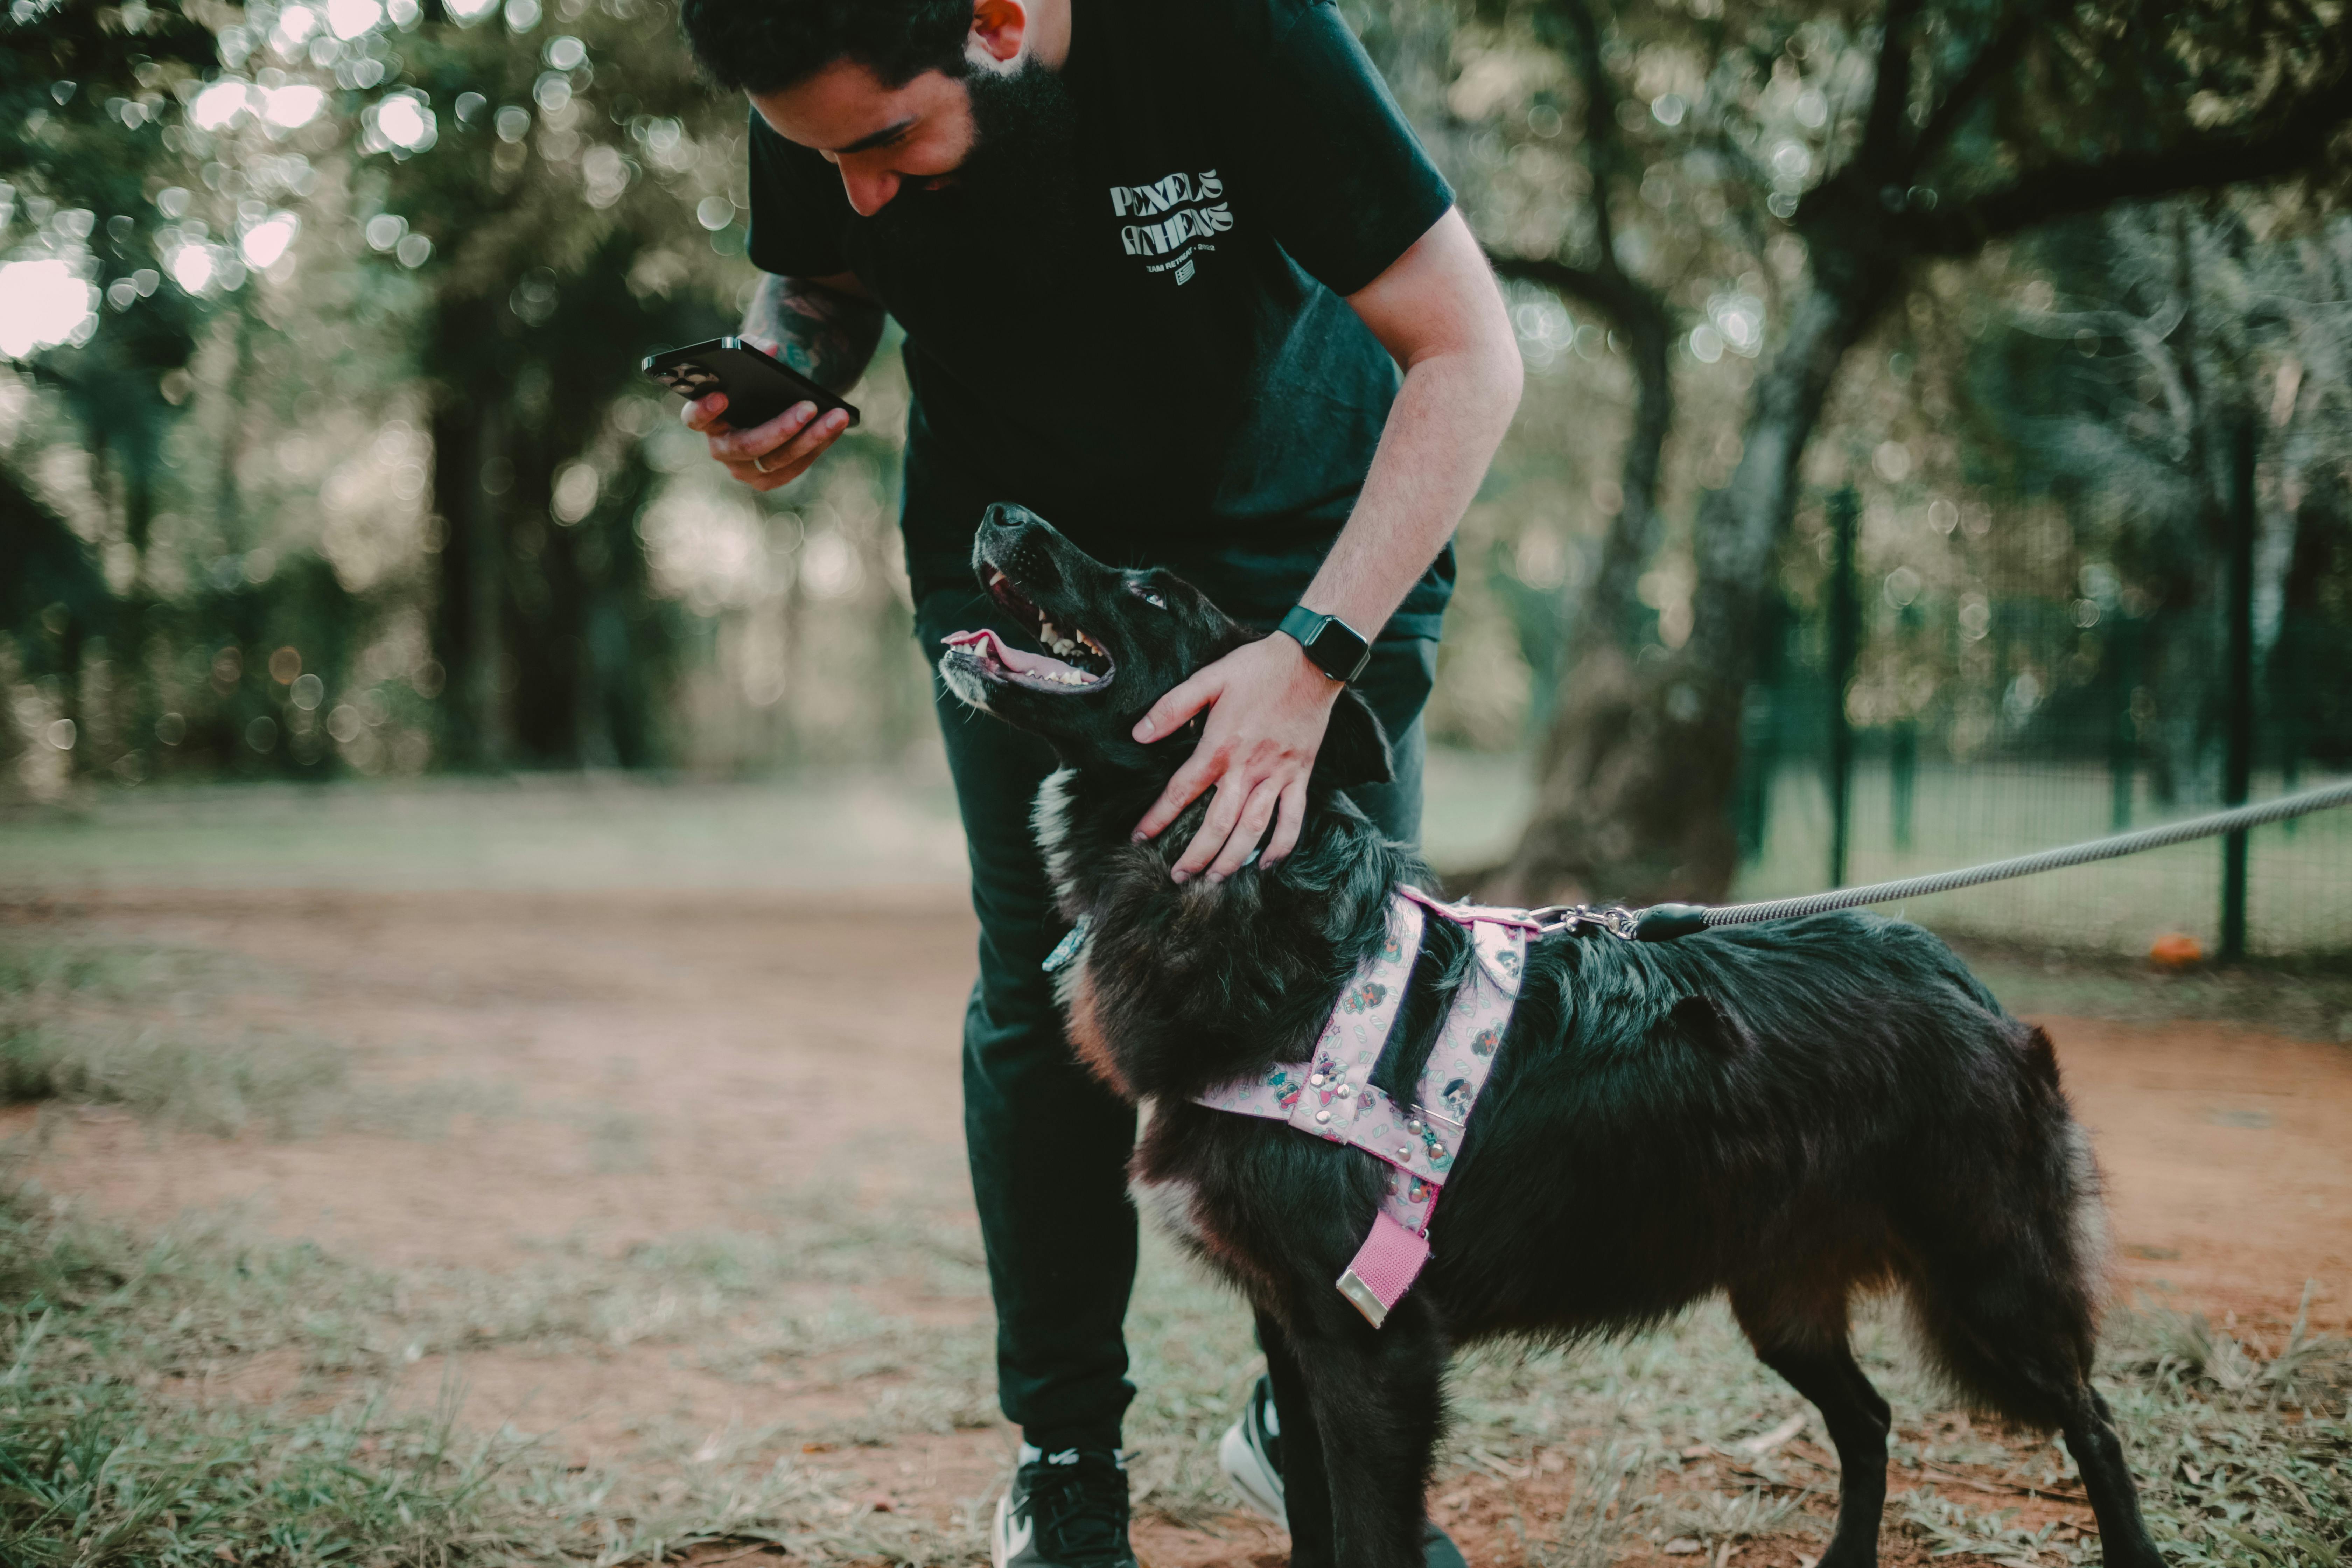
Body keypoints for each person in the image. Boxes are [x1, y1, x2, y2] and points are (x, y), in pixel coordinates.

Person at [673, 0, 1521, 1563]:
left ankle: (1321, 1440)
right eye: (822, 157)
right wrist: (789, 369)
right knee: (1052, 987)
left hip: (1310, 552)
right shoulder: (819, 63)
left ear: (997, 21)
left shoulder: (1236, 33)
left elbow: (1471, 350)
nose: (855, 186)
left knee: (1328, 1006)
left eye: (884, 145)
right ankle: (1066, 1453)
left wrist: (1313, 657)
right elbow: (823, 280)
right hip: (1027, 575)